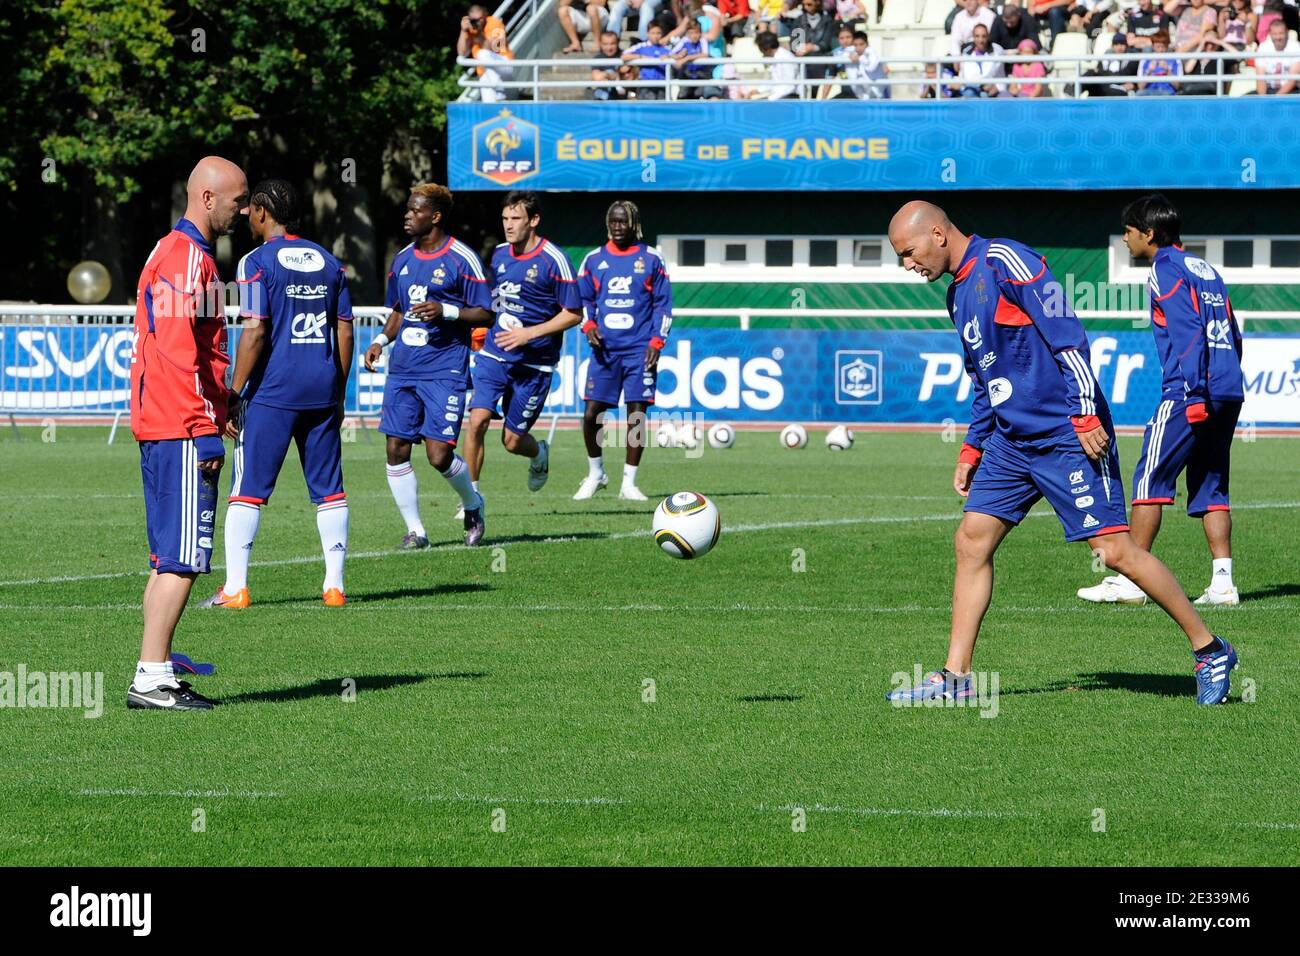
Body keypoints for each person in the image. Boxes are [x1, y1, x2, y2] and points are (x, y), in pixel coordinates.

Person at [884, 200, 1237, 707]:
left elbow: (1067, 334)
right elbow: (986, 379)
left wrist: (1085, 412)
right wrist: (972, 445)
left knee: (1114, 552)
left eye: (909, 252)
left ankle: (1210, 650)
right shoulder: (958, 293)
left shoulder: (1007, 260)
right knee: (971, 541)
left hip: (1066, 433)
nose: (907, 264)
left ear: (937, 234)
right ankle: (957, 678)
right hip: (1010, 442)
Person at [1078, 195, 1245, 608]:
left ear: (1149, 233)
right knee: (1212, 484)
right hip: (1228, 388)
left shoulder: (1164, 268)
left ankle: (1129, 580)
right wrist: (1222, 383)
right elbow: (1233, 331)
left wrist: (1195, 392)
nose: (1125, 239)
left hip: (1190, 392)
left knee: (1149, 479)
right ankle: (1223, 583)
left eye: (1129, 231)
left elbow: (1187, 332)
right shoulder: (1206, 269)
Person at [126, 156, 247, 711]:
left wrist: (226, 397)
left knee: (167, 558)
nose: (244, 211)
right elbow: (178, 354)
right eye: (237, 200)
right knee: (183, 558)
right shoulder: (186, 259)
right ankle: (151, 680)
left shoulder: (185, 254)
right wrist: (205, 426)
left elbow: (208, 345)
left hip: (167, 420)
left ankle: (155, 670)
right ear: (206, 198)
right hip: (178, 425)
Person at [200, 179, 354, 610]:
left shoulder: (256, 262)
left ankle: (236, 589)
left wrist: (233, 392)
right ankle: (334, 586)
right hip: (322, 391)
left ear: (264, 211)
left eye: (251, 209)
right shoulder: (329, 262)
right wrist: (338, 391)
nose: (246, 215)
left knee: (247, 490)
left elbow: (255, 330)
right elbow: (344, 330)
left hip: (272, 392)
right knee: (329, 490)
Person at [364, 185, 494, 550]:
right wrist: (380, 341)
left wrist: (447, 311)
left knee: (438, 454)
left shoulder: (461, 258)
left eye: (415, 210)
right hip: (404, 368)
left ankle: (472, 504)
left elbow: (487, 312)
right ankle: (416, 531)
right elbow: (399, 312)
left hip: (444, 370)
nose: (407, 215)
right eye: (407, 208)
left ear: (435, 216)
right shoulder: (403, 259)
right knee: (396, 449)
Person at [462, 192, 583, 513]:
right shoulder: (499, 255)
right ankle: (471, 499)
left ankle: (538, 453)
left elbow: (573, 312)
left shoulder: (554, 260)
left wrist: (529, 333)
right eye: (505, 219)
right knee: (477, 421)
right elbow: (489, 297)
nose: (508, 226)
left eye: (515, 219)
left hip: (535, 364)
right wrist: (480, 321)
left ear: (534, 220)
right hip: (494, 355)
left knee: (512, 441)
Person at [573, 202, 673, 503]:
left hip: (639, 350)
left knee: (637, 415)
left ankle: (629, 481)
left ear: (634, 224)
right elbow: (584, 299)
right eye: (614, 222)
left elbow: (663, 305)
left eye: (623, 222)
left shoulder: (652, 258)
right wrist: (589, 324)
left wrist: (657, 341)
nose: (618, 227)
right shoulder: (593, 260)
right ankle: (596, 473)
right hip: (604, 351)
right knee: (592, 414)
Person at [671, 20, 725, 97]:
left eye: (696, 32)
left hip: (701, 75)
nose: (694, 36)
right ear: (687, 33)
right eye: (691, 33)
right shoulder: (684, 41)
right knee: (683, 95)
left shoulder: (702, 40)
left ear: (700, 33)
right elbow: (672, 53)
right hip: (687, 75)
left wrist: (687, 58)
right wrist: (679, 56)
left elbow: (705, 54)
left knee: (700, 94)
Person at [623, 21, 675, 98]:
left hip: (662, 85)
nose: (656, 36)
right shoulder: (641, 47)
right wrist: (641, 57)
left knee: (661, 108)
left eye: (658, 33)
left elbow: (676, 58)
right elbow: (624, 56)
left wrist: (670, 58)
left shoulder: (666, 49)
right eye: (653, 33)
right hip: (646, 85)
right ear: (647, 33)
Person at [952, 23, 1006, 96]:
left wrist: (998, 87)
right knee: (969, 94)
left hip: (990, 89)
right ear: (973, 37)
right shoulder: (966, 52)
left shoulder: (997, 51)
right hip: (970, 88)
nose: (981, 40)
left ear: (988, 36)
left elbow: (1001, 74)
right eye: (977, 36)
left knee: (1003, 96)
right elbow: (962, 75)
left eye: (984, 36)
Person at [1255, 17, 1300, 93]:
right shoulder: (1263, 47)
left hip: (1290, 91)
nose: (1278, 37)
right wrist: (1263, 101)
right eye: (1275, 34)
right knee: (1243, 100)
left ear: (1287, 33)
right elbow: (1260, 80)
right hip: (1268, 90)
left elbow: (1292, 81)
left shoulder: (1295, 47)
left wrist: (1275, 101)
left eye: (1281, 33)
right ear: (1270, 34)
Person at [755, 29, 802, 96]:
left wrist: (771, 99)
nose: (761, 52)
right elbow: (772, 81)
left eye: (760, 48)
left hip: (791, 97)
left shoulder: (786, 58)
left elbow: (790, 87)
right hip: (779, 97)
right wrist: (758, 91)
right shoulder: (774, 58)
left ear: (766, 48)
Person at [591, 31, 636, 99]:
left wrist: (611, 76)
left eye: (612, 44)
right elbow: (597, 77)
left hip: (626, 92)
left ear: (618, 43)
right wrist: (611, 74)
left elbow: (632, 76)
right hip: (605, 93)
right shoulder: (598, 58)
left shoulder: (625, 55)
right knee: (599, 92)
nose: (609, 48)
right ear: (600, 44)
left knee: (632, 94)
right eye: (605, 44)